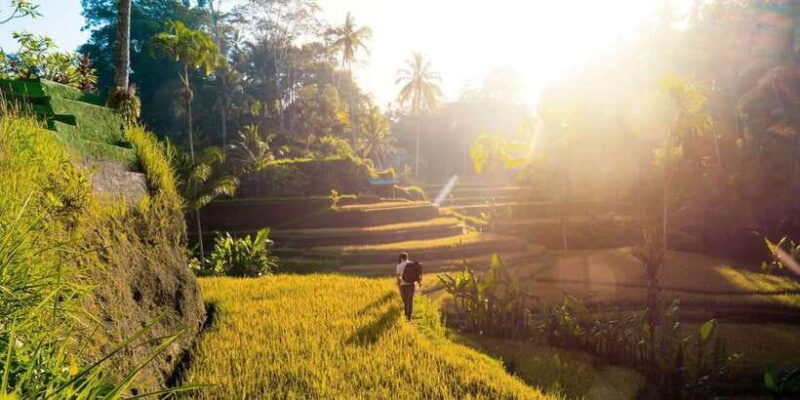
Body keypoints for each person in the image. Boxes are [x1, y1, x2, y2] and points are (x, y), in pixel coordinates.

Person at [396, 252, 421, 320]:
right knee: (410, 301)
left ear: (401, 258)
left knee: (405, 301)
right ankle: (409, 317)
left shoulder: (399, 266)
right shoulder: (412, 264)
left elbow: (398, 278)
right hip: (412, 285)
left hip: (404, 286)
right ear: (407, 257)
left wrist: (398, 286)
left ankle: (406, 315)